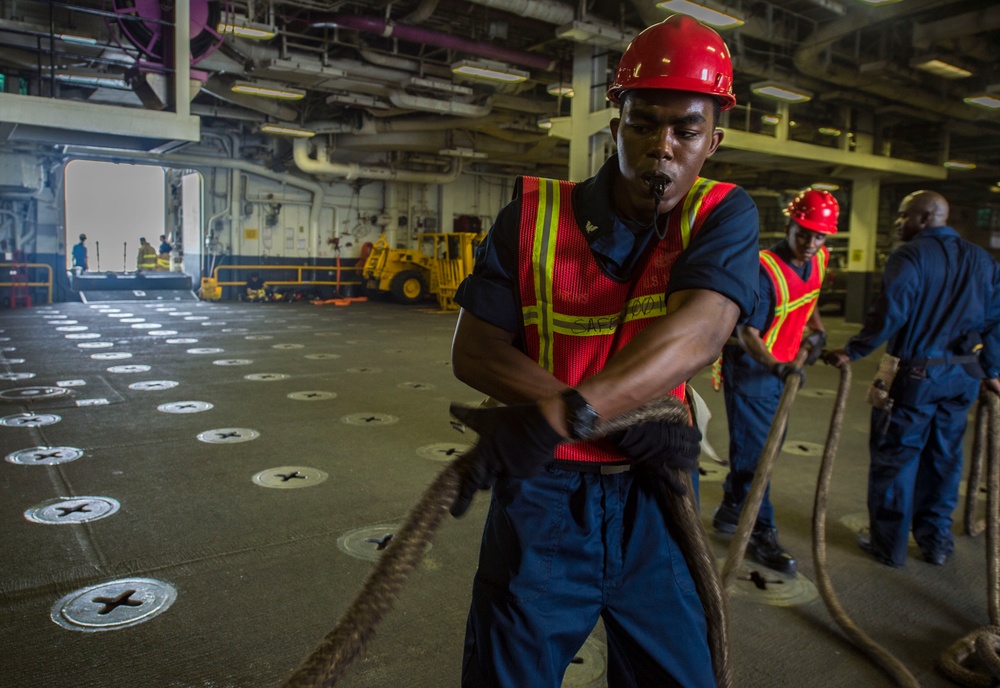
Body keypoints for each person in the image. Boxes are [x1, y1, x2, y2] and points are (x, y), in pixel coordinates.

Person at [448, 15, 759, 687]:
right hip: (543, 498)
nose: (662, 148)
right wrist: (591, 417)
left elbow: (701, 329)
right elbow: (474, 352)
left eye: (686, 131)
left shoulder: (721, 215)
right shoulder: (532, 218)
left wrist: (564, 415)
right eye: (643, 124)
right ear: (616, 127)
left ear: (713, 141)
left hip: (656, 497)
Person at [826, 190, 1000, 568]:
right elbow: (996, 319)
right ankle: (936, 542)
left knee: (897, 457)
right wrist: (991, 370)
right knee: (945, 458)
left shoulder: (910, 256)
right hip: (963, 376)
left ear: (924, 218)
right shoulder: (983, 260)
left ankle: (888, 545)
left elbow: (890, 312)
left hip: (916, 375)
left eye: (903, 216)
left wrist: (853, 350)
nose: (897, 223)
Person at [711, 189, 839, 576]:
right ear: (789, 226)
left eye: (819, 236)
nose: (811, 243)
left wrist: (818, 332)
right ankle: (760, 532)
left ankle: (731, 507)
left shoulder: (819, 259)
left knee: (771, 444)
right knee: (758, 456)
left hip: (784, 367)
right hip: (753, 370)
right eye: (804, 234)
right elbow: (747, 333)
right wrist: (777, 367)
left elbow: (808, 298)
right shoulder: (764, 271)